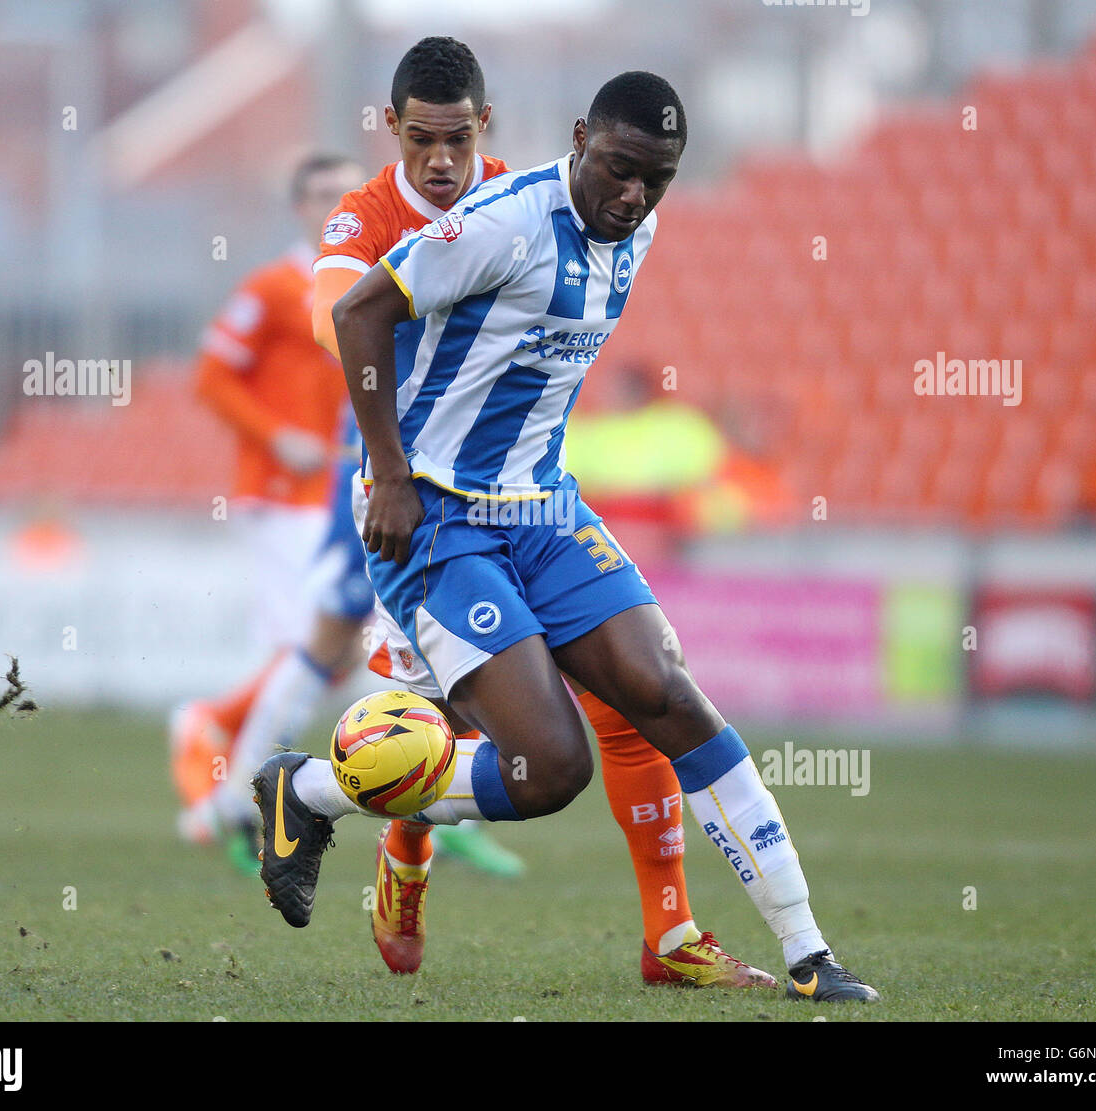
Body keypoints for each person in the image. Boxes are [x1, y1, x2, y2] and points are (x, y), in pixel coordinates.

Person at [260, 58, 875, 1002]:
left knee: (667, 694)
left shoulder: (642, 221)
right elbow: (355, 311)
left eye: (656, 178)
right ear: (580, 139)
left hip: (545, 507)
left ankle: (808, 952)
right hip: (438, 513)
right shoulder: (503, 223)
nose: (633, 194)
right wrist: (386, 473)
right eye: (619, 168)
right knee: (548, 768)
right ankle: (309, 791)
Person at [170, 154, 363, 874]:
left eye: (346, 192)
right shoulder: (272, 286)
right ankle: (234, 778)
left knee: (330, 653)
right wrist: (275, 433)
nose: (332, 205)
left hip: (339, 495)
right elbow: (211, 376)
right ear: (298, 206)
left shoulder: (364, 283)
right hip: (280, 493)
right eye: (319, 194)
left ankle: (216, 732)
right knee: (317, 645)